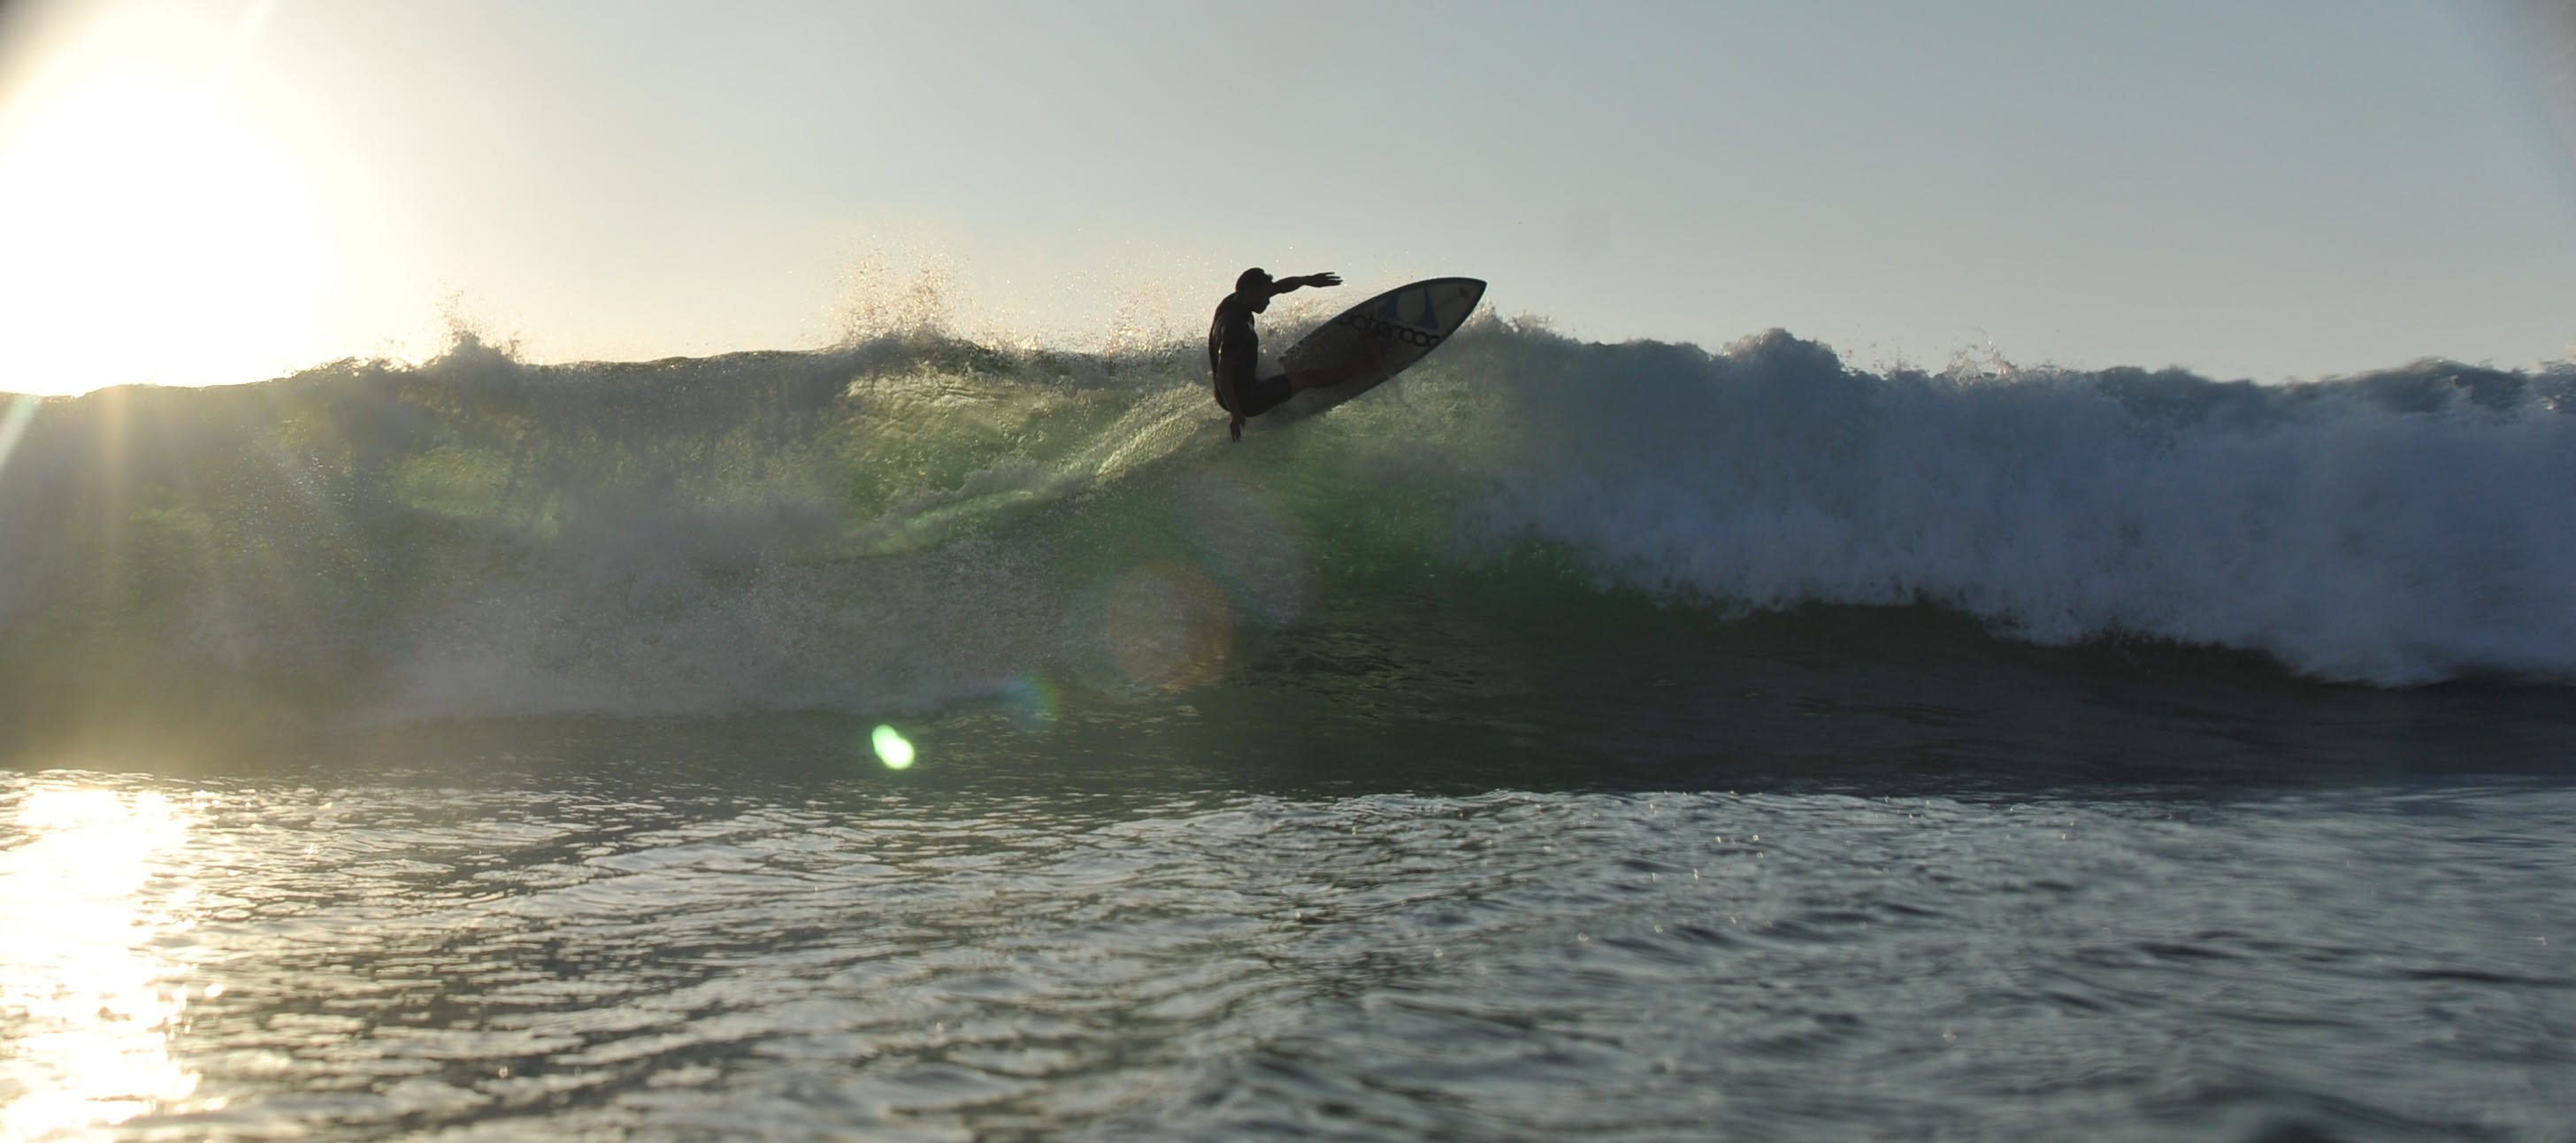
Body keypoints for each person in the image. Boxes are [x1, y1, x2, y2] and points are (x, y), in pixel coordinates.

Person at [1208, 267, 1341, 441]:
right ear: (1251, 291)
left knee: (1272, 373)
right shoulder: (1236, 328)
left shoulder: (1231, 302)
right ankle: (1367, 365)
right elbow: (1223, 374)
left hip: (1226, 393)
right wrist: (1236, 413)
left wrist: (1308, 280)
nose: (1268, 301)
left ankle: (1276, 407)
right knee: (1307, 378)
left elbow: (1281, 286)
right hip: (1246, 399)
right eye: (1265, 296)